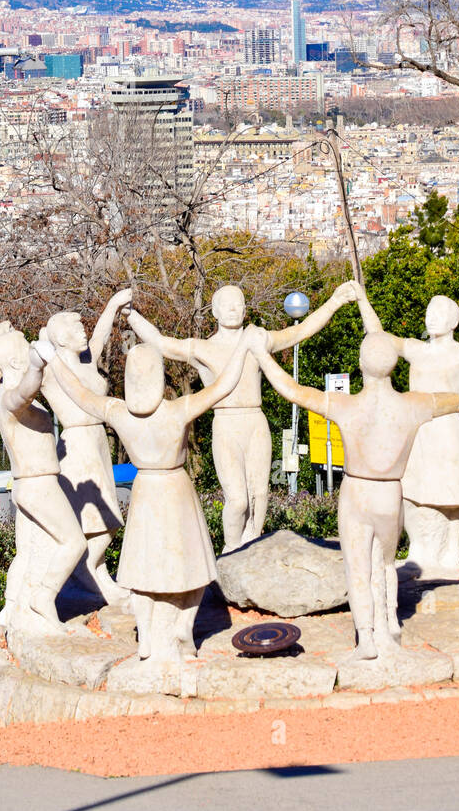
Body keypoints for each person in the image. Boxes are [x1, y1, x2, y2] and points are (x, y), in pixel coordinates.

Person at [252, 328, 459, 661]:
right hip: (391, 493)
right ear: (394, 366)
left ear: (361, 364)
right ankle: (389, 627)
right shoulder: (414, 404)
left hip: (357, 492)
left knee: (359, 568)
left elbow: (293, 390)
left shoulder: (346, 405)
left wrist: (262, 355)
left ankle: (367, 639)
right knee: (386, 565)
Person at [36, 324, 267, 663]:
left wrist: (53, 360)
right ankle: (183, 629)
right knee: (194, 567)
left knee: (141, 571)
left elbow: (79, 394)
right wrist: (245, 345)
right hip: (176, 490)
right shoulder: (178, 409)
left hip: (145, 491)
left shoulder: (118, 412)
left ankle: (146, 635)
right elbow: (224, 386)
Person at [126, 280, 358, 551]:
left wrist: (335, 301)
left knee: (260, 495)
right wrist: (130, 314)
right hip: (226, 424)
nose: (234, 309)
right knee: (237, 499)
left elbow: (302, 331)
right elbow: (160, 343)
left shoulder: (258, 339)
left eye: (239, 303)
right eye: (227, 305)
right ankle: (232, 550)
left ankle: (253, 547)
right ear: (215, 312)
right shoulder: (203, 348)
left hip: (255, 421)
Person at [355, 286, 459, 569]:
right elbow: (378, 337)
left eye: (438, 313)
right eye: (429, 312)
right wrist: (362, 300)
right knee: (411, 491)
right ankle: (419, 545)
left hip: (447, 426)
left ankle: (453, 544)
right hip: (416, 427)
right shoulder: (416, 349)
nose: (431, 317)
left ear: (453, 321)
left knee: (451, 490)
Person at [0, 322, 88, 634]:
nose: (29, 343)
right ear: (18, 362)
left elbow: (3, 370)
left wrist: (0, 339)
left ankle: (10, 609)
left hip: (26, 485)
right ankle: (43, 600)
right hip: (38, 483)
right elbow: (24, 391)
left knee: (29, 552)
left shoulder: (0, 388)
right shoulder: (11, 397)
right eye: (23, 345)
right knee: (73, 542)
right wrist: (35, 365)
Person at [40, 292, 133, 609]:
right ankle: (87, 576)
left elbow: (101, 335)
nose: (84, 333)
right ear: (61, 338)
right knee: (96, 520)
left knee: (103, 521)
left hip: (97, 443)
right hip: (77, 445)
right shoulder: (50, 370)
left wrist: (113, 305)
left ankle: (98, 575)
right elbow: (19, 388)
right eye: (77, 330)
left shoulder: (85, 361)